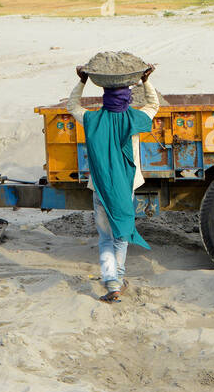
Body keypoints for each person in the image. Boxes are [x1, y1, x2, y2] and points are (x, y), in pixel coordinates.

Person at [67, 64, 160, 303]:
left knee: (106, 239)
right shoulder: (135, 119)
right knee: (121, 237)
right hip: (125, 189)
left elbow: (72, 106)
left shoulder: (92, 119)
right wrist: (146, 80)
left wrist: (82, 81)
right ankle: (117, 280)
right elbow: (153, 105)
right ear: (128, 99)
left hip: (100, 188)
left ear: (105, 99)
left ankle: (112, 283)